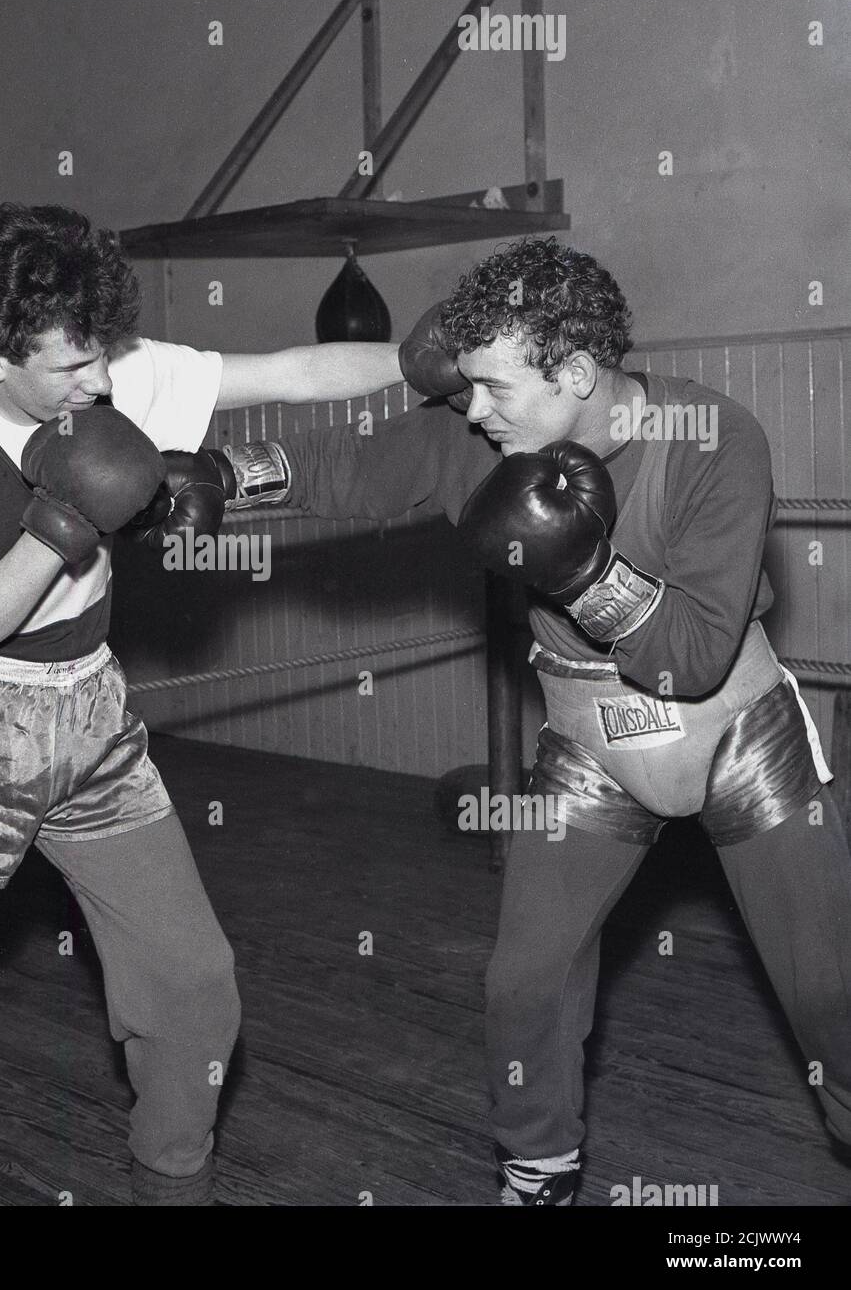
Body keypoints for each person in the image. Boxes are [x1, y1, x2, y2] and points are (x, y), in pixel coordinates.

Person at [0, 201, 403, 1204]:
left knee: (191, 980)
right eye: (69, 366)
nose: (97, 383)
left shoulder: (112, 368)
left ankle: (170, 1183)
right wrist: (59, 526)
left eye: (101, 355)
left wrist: (440, 363)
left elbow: (296, 373)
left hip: (91, 713)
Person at [173, 236, 851, 1204]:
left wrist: (582, 568)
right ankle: (538, 1169)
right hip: (590, 749)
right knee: (524, 980)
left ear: (575, 374)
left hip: (738, 738)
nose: (471, 410)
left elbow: (694, 658)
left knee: (831, 989)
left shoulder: (715, 438)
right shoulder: (480, 437)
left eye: (493, 387)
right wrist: (216, 475)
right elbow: (343, 465)